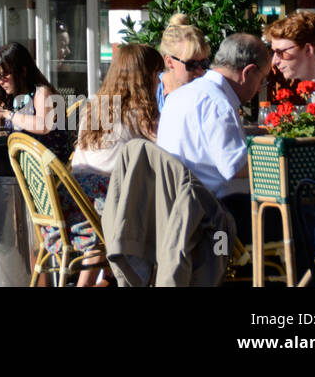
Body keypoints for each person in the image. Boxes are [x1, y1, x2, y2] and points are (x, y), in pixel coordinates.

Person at [58, 43, 164, 285]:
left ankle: (97, 282)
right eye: (157, 73)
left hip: (75, 199)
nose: (159, 80)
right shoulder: (140, 112)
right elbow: (168, 151)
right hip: (107, 203)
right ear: (145, 75)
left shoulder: (95, 103)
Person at [156, 33, 271, 243]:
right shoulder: (218, 103)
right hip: (214, 222)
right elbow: (234, 167)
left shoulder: (179, 95)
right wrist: (282, 165)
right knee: (300, 217)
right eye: (261, 80)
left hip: (177, 214)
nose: (258, 89)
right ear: (248, 72)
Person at [0, 43, 59, 145]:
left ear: (22, 71)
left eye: (3, 76)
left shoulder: (41, 92)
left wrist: (7, 114)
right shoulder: (12, 98)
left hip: (47, 158)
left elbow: (43, 125)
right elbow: (4, 127)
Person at [157, 14, 210, 110]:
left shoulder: (209, 93)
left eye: (204, 63)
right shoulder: (148, 92)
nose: (200, 71)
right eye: (191, 64)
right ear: (169, 62)